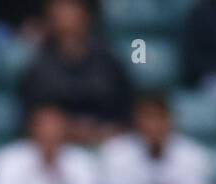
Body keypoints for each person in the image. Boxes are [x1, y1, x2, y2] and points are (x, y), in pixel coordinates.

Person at [20, 0, 133, 145]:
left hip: (109, 143)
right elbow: (32, 116)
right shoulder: (38, 67)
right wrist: (69, 130)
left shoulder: (109, 62)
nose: (68, 22)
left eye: (73, 13)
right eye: (60, 16)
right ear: (51, 21)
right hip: (58, 147)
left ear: (86, 18)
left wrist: (103, 131)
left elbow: (127, 112)